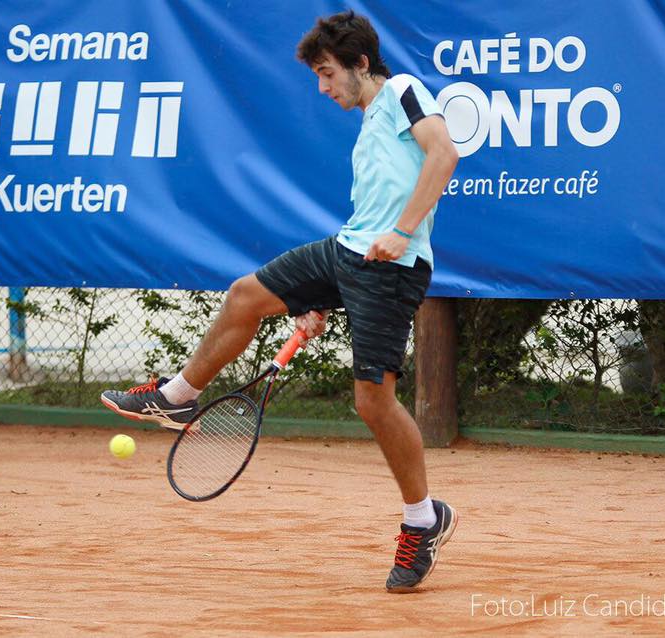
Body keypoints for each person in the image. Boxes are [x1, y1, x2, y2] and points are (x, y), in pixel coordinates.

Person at [101, 10, 459, 593]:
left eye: (326, 73)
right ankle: (179, 397)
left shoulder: (403, 90)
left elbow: (443, 154)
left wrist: (402, 230)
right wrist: (323, 296)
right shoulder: (372, 119)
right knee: (247, 295)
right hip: (347, 254)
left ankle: (424, 519)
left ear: (360, 63)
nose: (322, 87)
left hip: (392, 266)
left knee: (373, 402)